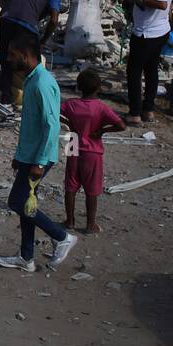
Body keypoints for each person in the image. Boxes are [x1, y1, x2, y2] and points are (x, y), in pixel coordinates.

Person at [0, 30, 78, 272]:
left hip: (39, 157)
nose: (9, 59)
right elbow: (31, 123)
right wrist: (19, 156)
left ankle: (61, 237)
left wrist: (40, 162)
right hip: (29, 154)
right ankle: (26, 257)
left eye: (13, 55)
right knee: (25, 203)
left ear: (25, 55)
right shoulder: (32, 78)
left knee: (17, 202)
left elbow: (51, 125)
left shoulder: (42, 83)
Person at [61, 69, 124, 234]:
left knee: (71, 185)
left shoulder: (70, 104)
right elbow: (121, 125)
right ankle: (90, 224)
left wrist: (69, 123)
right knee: (92, 189)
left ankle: (70, 221)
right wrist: (102, 131)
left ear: (79, 87)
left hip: (74, 143)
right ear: (99, 88)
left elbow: (54, 112)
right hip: (92, 150)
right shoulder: (102, 108)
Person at [0, 0, 62, 105]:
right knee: (31, 62)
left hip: (6, 19)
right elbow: (53, 20)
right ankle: (32, 98)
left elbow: (17, 0)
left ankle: (5, 98)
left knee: (7, 59)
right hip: (26, 24)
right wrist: (43, 40)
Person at [123, 0, 173, 125]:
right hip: (159, 30)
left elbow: (162, 3)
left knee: (134, 72)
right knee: (151, 70)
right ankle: (148, 109)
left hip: (147, 33)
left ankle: (135, 113)